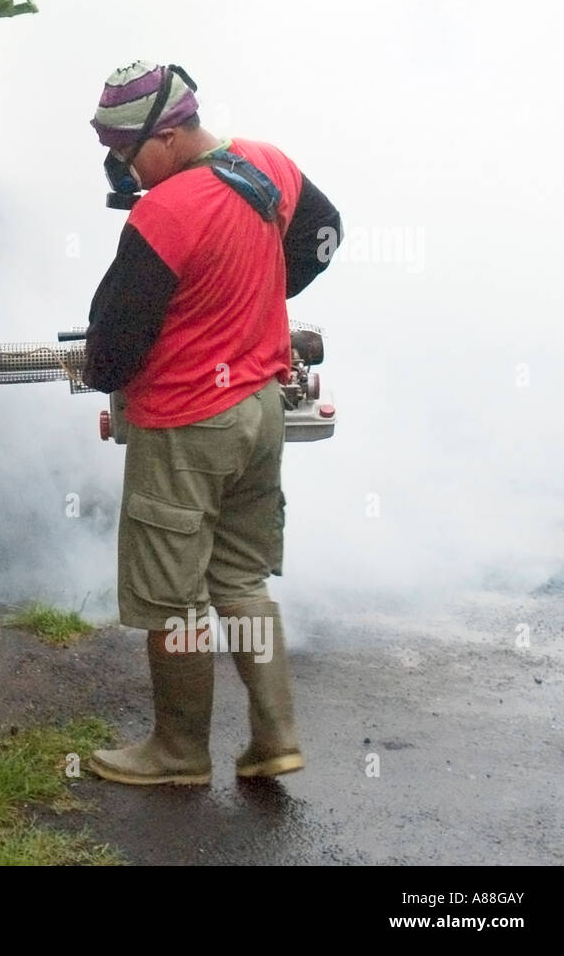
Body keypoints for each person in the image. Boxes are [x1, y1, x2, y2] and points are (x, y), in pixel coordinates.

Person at [82, 60, 342, 785]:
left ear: (165, 136)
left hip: (188, 426)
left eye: (128, 154)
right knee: (240, 578)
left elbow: (109, 355)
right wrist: (257, 292)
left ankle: (178, 750)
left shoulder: (164, 214)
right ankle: (275, 737)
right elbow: (324, 230)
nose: (126, 171)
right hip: (258, 413)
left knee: (174, 595)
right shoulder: (264, 164)